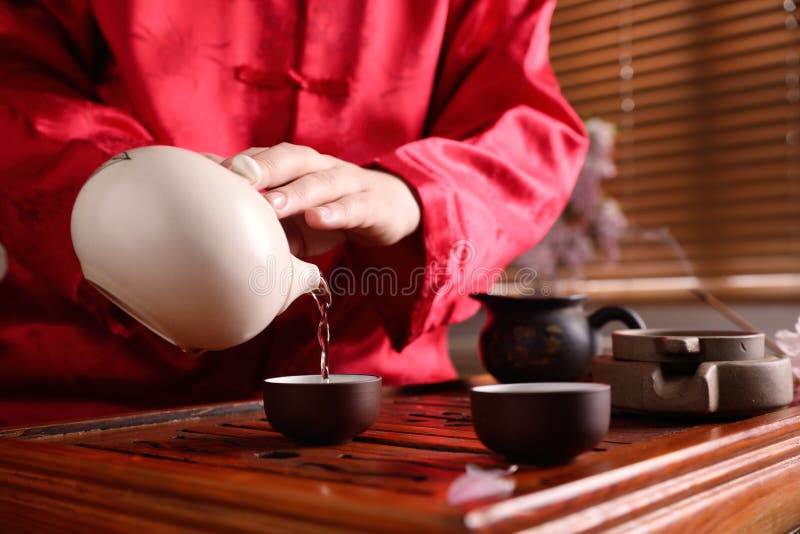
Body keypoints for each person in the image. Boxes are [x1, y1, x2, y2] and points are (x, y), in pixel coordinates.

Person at [0, 0, 587, 425]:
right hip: (94, 393)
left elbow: (525, 128)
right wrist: (138, 195)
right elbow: (16, 73)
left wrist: (412, 195)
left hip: (385, 399)